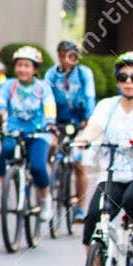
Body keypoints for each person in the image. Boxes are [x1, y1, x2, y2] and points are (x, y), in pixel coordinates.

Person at [78, 51, 133, 263]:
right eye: (123, 77)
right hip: (113, 174)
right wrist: (85, 138)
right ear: (117, 81)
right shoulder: (106, 106)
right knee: (92, 218)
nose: (128, 82)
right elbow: (94, 127)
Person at [0, 46, 57, 208]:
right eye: (19, 65)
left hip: (38, 133)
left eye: (27, 65)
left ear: (34, 69)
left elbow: (49, 105)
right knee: (5, 152)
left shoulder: (42, 87)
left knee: (38, 167)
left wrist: (51, 122)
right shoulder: (10, 85)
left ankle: (45, 199)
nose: (22, 69)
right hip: (14, 131)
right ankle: (6, 193)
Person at [45, 39, 96, 221]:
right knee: (50, 147)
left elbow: (90, 95)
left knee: (78, 162)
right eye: (63, 56)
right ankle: (57, 174)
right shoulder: (51, 74)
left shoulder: (83, 74)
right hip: (58, 120)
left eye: (71, 56)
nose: (67, 59)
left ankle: (81, 207)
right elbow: (47, 96)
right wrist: (49, 120)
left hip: (79, 121)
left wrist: (88, 119)